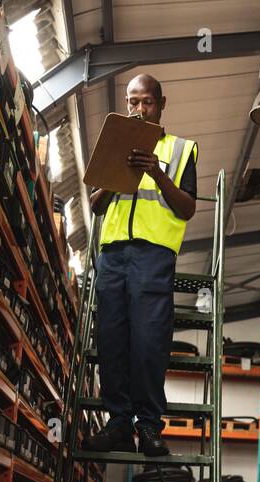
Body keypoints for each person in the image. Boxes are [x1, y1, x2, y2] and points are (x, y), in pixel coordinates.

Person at [82, 74, 197, 456]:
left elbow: (187, 208)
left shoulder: (181, 150)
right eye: (133, 102)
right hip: (113, 254)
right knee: (112, 340)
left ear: (161, 104)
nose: (139, 109)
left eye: (147, 102)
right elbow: (96, 206)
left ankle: (147, 426)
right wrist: (116, 175)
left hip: (153, 255)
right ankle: (118, 423)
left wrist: (155, 172)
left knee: (148, 342)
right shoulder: (113, 143)